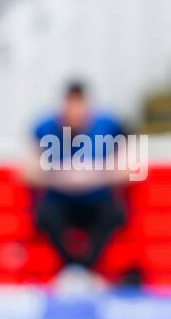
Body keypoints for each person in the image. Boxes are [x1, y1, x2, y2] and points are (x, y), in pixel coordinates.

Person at [21, 81, 131, 286]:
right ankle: (73, 270)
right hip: (61, 200)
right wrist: (61, 177)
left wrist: (93, 175)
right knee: (45, 215)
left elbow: (130, 170)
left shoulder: (110, 126)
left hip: (97, 199)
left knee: (114, 214)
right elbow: (27, 172)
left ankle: (85, 271)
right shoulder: (45, 128)